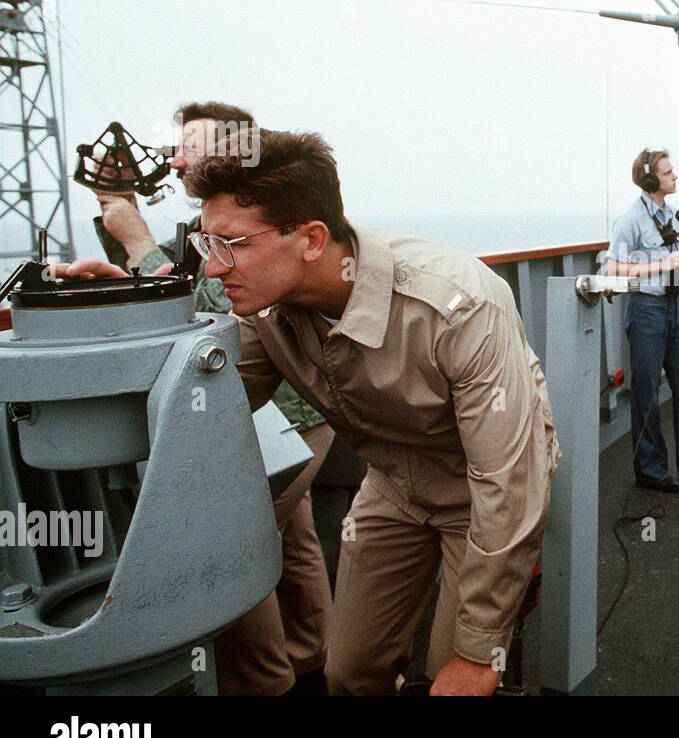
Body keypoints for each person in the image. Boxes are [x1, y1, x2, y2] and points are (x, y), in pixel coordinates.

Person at [183, 129, 560, 695]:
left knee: (451, 677)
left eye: (233, 244)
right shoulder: (270, 313)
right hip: (391, 484)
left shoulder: (456, 306)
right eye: (206, 244)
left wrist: (478, 655)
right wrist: (139, 312)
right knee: (351, 672)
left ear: (311, 239)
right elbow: (209, 399)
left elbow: (509, 479)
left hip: (480, 492)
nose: (214, 268)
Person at [89, 102, 334, 696]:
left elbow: (223, 315)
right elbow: (192, 284)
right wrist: (121, 234)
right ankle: (313, 663)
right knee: (294, 542)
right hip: (285, 419)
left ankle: (265, 682)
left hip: (280, 417)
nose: (174, 159)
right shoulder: (226, 221)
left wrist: (139, 242)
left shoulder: (252, 224)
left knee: (231, 549)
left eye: (189, 149)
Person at [605, 149, 679, 493]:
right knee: (646, 391)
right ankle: (651, 472)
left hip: (675, 309)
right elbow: (613, 268)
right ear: (650, 180)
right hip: (646, 309)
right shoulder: (630, 220)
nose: (675, 177)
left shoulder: (671, 215)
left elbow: (668, 254)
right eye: (668, 173)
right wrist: (661, 265)